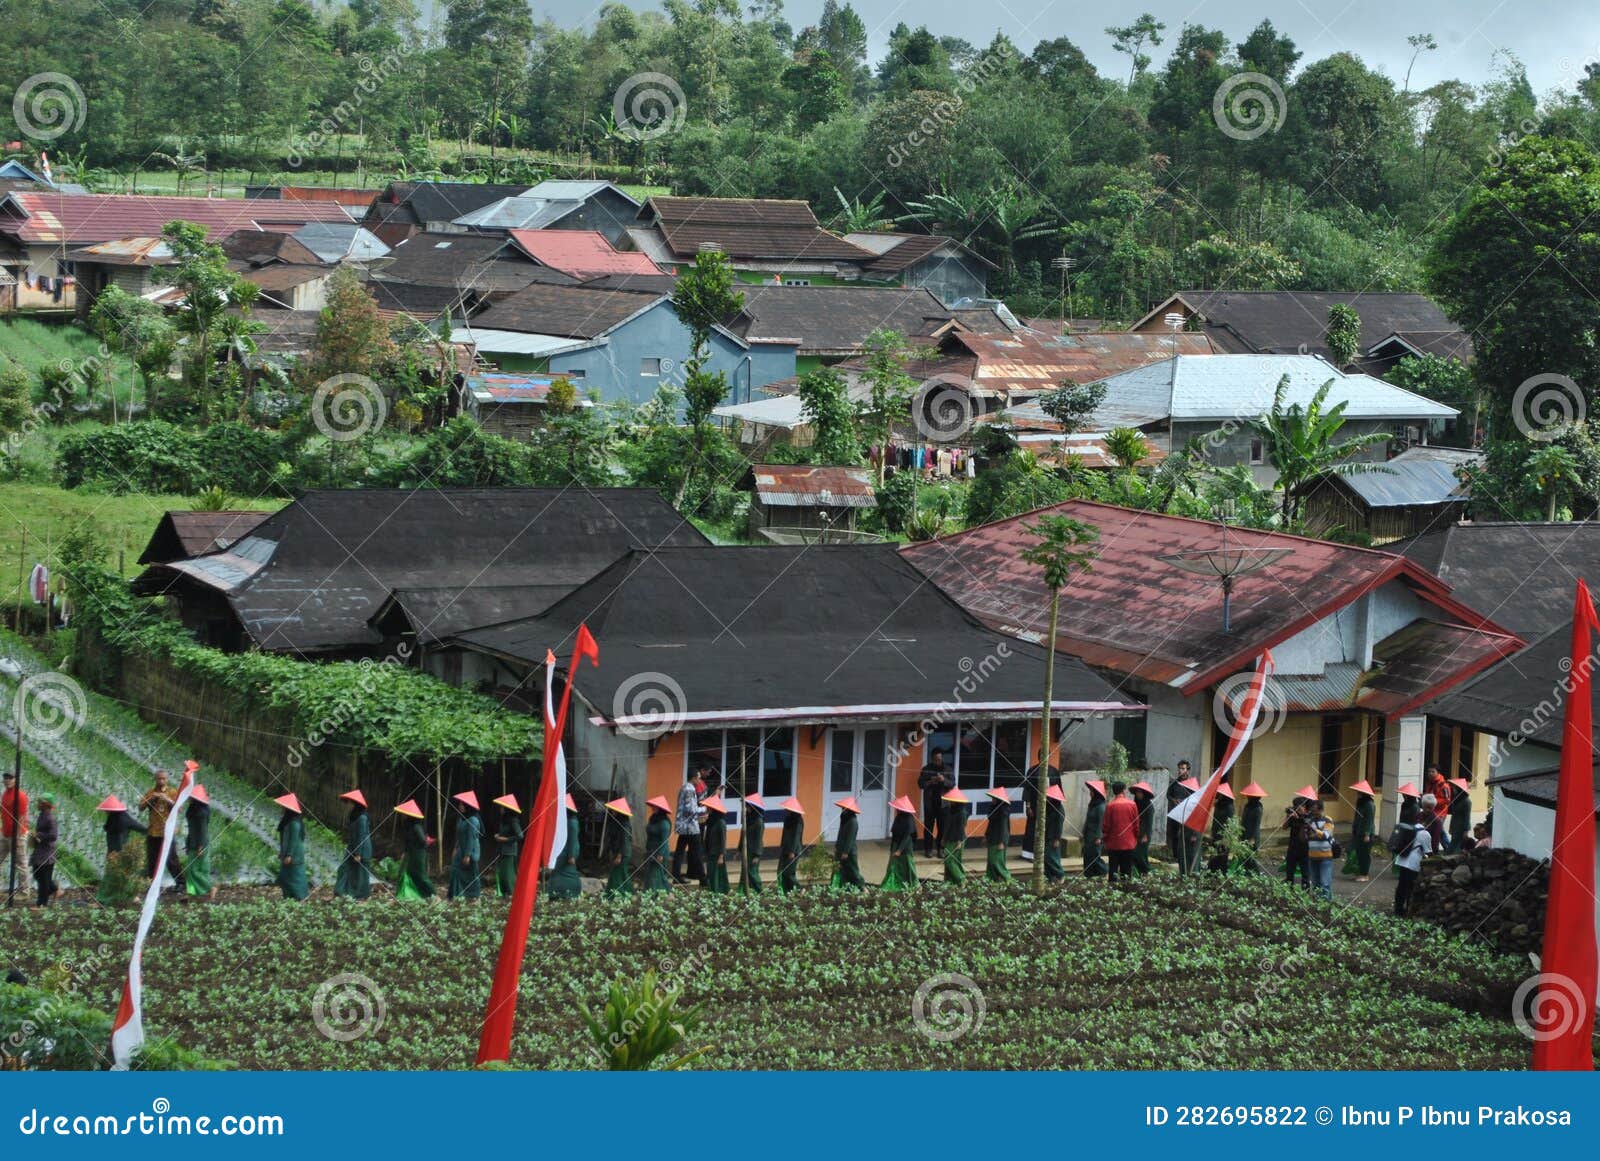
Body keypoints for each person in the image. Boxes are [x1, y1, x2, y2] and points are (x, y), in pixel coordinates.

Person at [139, 769, 183, 889]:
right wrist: (152, 799)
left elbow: (179, 809)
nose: (161, 781)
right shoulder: (151, 792)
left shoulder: (172, 792)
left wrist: (167, 799)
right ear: (155, 779)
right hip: (153, 831)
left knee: (171, 859)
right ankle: (153, 883)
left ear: (167, 779)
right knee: (152, 859)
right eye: (159, 778)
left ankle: (180, 883)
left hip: (167, 831)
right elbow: (140, 807)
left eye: (163, 778)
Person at [333, 789, 373, 900]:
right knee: (344, 868)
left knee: (361, 873)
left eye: (352, 802)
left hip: (361, 848)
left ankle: (361, 895)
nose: (351, 804)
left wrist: (358, 853)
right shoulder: (356, 814)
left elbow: (361, 836)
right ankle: (342, 891)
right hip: (353, 846)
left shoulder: (362, 818)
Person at [1020, 758, 1062, 860]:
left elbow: (1058, 789)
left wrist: (1057, 805)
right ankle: (1029, 854)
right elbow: (1027, 789)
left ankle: (1044, 855)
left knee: (1047, 830)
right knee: (1032, 829)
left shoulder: (1054, 771)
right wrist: (1028, 806)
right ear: (1040, 757)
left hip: (1050, 807)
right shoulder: (1032, 771)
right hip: (1034, 806)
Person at [1393, 814, 1433, 916]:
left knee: (1401, 886)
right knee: (1410, 888)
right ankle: (1408, 911)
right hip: (1413, 864)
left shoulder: (1409, 829)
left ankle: (1398, 909)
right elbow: (1428, 851)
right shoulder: (1425, 834)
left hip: (1402, 860)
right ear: (1427, 823)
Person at [394, 799, 433, 899]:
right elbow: (408, 842)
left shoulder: (416, 827)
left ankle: (432, 894)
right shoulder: (408, 826)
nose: (402, 815)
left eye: (404, 814)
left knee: (421, 875)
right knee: (410, 873)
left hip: (418, 854)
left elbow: (423, 842)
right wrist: (405, 852)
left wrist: (424, 843)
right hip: (411, 853)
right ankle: (414, 893)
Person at [671, 772, 706, 885]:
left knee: (679, 852)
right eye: (699, 778)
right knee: (697, 852)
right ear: (694, 777)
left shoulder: (684, 787)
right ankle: (703, 879)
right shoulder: (690, 790)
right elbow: (691, 809)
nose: (700, 781)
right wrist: (705, 809)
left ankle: (676, 876)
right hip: (690, 827)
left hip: (683, 826)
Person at [1102, 782, 1139, 883]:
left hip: (1113, 844)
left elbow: (1106, 826)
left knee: (1113, 869)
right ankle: (1126, 890)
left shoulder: (1110, 806)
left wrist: (1105, 839)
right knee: (1126, 870)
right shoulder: (1132, 804)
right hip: (1129, 843)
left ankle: (1112, 891)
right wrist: (1135, 838)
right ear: (1123, 790)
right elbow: (1136, 825)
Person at [448, 790, 483, 900]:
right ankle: (456, 893)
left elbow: (471, 839)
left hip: (471, 850)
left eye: (463, 804)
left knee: (472, 873)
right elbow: (459, 836)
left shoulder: (473, 820)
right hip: (461, 848)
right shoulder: (462, 819)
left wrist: (467, 855)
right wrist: (455, 848)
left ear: (469, 806)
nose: (460, 806)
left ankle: (474, 895)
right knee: (455, 869)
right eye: (460, 804)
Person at [547, 794, 582, 900]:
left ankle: (568, 893)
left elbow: (573, 840)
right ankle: (557, 893)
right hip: (562, 851)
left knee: (566, 873)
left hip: (567, 853)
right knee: (558, 873)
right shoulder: (566, 821)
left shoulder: (572, 822)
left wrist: (572, 855)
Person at [183, 784, 215, 901]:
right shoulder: (192, 809)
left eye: (191, 797)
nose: (189, 798)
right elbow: (191, 829)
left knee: (194, 870)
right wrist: (188, 843)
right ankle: (190, 893)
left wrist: (200, 847)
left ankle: (210, 888)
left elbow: (202, 831)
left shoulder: (201, 812)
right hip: (192, 842)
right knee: (190, 870)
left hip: (200, 844)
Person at [917, 750, 951, 857]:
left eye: (940, 759)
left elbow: (952, 784)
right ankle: (928, 849)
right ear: (932, 759)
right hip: (930, 803)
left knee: (942, 828)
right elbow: (921, 784)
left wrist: (943, 780)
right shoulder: (926, 769)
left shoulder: (947, 769)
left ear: (942, 758)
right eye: (936, 760)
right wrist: (931, 781)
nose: (938, 761)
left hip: (943, 803)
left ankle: (940, 849)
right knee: (928, 828)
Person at [275, 792, 308, 901]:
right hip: (288, 852)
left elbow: (293, 840)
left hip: (294, 854)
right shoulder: (287, 820)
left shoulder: (294, 823)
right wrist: (282, 852)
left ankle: (301, 896)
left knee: (296, 877)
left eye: (284, 807)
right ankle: (289, 896)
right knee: (286, 876)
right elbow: (284, 838)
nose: (282, 808)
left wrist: (289, 855)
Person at [488, 794, 522, 897]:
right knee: (502, 872)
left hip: (509, 851)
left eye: (502, 807)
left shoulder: (513, 820)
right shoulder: (504, 820)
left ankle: (512, 892)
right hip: (502, 850)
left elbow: (520, 835)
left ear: (507, 808)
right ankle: (504, 893)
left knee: (508, 873)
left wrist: (506, 839)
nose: (501, 809)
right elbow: (504, 832)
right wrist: (498, 835)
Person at [882, 795, 919, 891]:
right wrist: (893, 848)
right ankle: (893, 882)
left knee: (908, 866)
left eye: (897, 808)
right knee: (893, 865)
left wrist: (899, 850)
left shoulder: (909, 820)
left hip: (905, 848)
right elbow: (895, 833)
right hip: (896, 844)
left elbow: (907, 837)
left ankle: (916, 884)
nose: (896, 810)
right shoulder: (898, 817)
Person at [28, 794, 57, 907]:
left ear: (46, 805)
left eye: (40, 802)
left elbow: (53, 836)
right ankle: (55, 889)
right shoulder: (42, 815)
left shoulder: (50, 818)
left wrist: (38, 834)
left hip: (47, 852)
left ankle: (41, 904)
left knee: (44, 879)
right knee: (37, 874)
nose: (38, 804)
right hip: (40, 850)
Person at [830, 796, 864, 891]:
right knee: (839, 869)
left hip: (849, 852)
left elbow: (850, 838)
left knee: (853, 871)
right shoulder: (844, 819)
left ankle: (863, 887)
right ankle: (840, 887)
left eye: (844, 808)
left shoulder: (853, 822)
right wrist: (837, 847)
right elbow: (840, 835)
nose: (842, 810)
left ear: (849, 809)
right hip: (840, 849)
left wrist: (846, 852)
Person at [1304, 798, 1335, 899]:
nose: (1313, 813)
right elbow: (1306, 837)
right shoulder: (1310, 820)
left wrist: (1313, 831)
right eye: (1312, 811)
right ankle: (1317, 905)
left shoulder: (1328, 820)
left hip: (1325, 857)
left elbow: (1326, 835)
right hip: (1312, 856)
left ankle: (1327, 906)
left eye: (1315, 811)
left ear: (1321, 810)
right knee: (1316, 884)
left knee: (1325, 884)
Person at [603, 797, 634, 897]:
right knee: (622, 873)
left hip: (623, 853)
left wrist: (619, 856)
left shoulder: (625, 825)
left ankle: (616, 894)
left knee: (616, 873)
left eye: (614, 810)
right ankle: (627, 892)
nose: (612, 812)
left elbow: (624, 841)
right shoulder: (616, 822)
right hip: (618, 852)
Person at [642, 795, 673, 892]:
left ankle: (661, 892)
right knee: (650, 873)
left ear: (660, 809)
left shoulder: (664, 823)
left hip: (660, 851)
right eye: (652, 806)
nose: (652, 808)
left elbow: (664, 841)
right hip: (651, 849)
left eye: (655, 807)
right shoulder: (652, 819)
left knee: (657, 873)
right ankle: (650, 891)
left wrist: (660, 854)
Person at [1346, 779, 1375, 881]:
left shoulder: (1369, 805)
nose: (1357, 794)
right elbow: (1357, 817)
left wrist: (1367, 834)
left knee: (1364, 854)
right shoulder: (1360, 803)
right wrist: (1354, 828)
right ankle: (1359, 872)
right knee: (1358, 852)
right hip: (1358, 831)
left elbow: (1369, 820)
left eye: (1359, 792)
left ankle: (1365, 874)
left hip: (1366, 833)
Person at [700, 795, 730, 893]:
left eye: (709, 808)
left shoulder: (721, 823)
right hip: (710, 850)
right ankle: (713, 890)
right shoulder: (711, 821)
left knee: (716, 874)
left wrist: (721, 856)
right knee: (711, 873)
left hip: (717, 853)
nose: (707, 810)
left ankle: (718, 890)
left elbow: (723, 840)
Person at [1284, 788, 1313, 888]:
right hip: (1292, 847)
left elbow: (1306, 831)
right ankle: (1289, 887)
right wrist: (1289, 817)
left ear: (1304, 807)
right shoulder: (1293, 816)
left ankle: (1306, 889)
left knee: (1305, 872)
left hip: (1304, 848)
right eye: (1294, 806)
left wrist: (1299, 819)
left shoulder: (1309, 816)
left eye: (1298, 806)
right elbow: (1284, 827)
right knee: (1289, 870)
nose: (1296, 808)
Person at [940, 788, 971, 883]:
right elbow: (947, 826)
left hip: (957, 839)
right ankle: (949, 880)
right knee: (948, 860)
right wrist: (944, 838)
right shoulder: (950, 811)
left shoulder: (962, 813)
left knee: (950, 860)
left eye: (951, 801)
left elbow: (962, 828)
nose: (949, 802)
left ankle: (961, 879)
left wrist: (959, 841)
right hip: (949, 838)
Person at [985, 787, 1014, 882]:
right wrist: (986, 835)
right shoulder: (994, 809)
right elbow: (990, 825)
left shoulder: (1003, 811)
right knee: (990, 861)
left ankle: (1007, 878)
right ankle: (992, 879)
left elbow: (1004, 828)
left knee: (996, 861)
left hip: (999, 839)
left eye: (994, 798)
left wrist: (1002, 842)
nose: (992, 800)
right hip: (992, 837)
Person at [1, 770, 27, 879]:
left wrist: (17, 837)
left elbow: (21, 817)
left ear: (15, 780)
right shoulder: (5, 794)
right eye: (6, 778)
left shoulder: (20, 796)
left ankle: (24, 892)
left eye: (10, 778)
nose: (7, 780)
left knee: (20, 865)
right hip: (5, 833)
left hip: (17, 835)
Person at [1166, 761, 1193, 863]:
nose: (1180, 770)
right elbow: (1168, 795)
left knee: (1185, 834)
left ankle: (1184, 855)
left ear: (1188, 770)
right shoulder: (1174, 783)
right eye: (1179, 768)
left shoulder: (1192, 783)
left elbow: (1195, 797)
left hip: (1187, 813)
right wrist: (1174, 800)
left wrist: (1185, 802)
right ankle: (1175, 856)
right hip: (1175, 811)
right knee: (1174, 834)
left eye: (1183, 768)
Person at [1205, 783, 1236, 872]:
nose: (1219, 795)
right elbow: (1215, 820)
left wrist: (1227, 838)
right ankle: (1212, 872)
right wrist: (1212, 832)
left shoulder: (1229, 807)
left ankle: (1221, 873)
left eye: (1221, 794)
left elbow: (1230, 823)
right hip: (1216, 833)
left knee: (1222, 855)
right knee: (1214, 854)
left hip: (1224, 835)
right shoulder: (1218, 805)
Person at [1080, 779, 1107, 877]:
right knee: (1087, 855)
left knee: (1094, 857)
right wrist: (1083, 833)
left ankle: (1104, 871)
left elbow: (1101, 823)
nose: (1090, 793)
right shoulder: (1092, 805)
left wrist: (1099, 837)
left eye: (1091, 791)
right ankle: (1089, 875)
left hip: (1095, 837)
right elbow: (1087, 820)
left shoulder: (1101, 807)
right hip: (1088, 835)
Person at [739, 793, 765, 895]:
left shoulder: (758, 822)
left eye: (748, 806)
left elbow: (759, 839)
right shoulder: (748, 820)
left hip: (753, 851)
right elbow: (743, 835)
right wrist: (739, 849)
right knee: (745, 871)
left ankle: (759, 891)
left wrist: (757, 855)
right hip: (747, 850)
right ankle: (746, 891)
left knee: (752, 872)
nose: (746, 808)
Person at [778, 797, 805, 894]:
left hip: (793, 850)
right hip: (786, 848)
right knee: (783, 872)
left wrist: (792, 851)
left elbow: (796, 836)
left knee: (788, 872)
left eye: (788, 808)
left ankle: (799, 889)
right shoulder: (788, 818)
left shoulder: (798, 821)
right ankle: (788, 891)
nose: (786, 809)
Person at [1239, 782, 1267, 873]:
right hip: (1244, 832)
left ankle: (1256, 873)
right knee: (1244, 854)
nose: (1247, 797)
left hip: (1252, 835)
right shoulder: (1247, 806)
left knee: (1251, 856)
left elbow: (1256, 824)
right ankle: (1247, 872)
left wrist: (1252, 839)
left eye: (1249, 796)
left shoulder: (1258, 808)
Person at [1129, 782, 1154, 876]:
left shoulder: (1149, 806)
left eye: (1140, 792)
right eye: (1137, 792)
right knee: (1137, 855)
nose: (1138, 794)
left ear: (1144, 793)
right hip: (1136, 833)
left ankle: (1146, 870)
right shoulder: (1135, 805)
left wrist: (1146, 835)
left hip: (1144, 835)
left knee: (1139, 854)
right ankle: (1141, 873)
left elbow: (1150, 823)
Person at [1043, 784, 1066, 881]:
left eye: (1049, 797)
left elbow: (1059, 826)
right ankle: (1050, 877)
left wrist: (1057, 838)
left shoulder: (1059, 810)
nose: (1048, 798)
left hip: (1054, 837)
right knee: (1047, 857)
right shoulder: (1050, 807)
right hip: (1048, 835)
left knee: (1050, 857)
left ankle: (1060, 874)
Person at [1448, 777, 1472, 852]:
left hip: (1461, 827)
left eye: (1455, 788)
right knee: (1453, 843)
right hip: (1455, 826)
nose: (1453, 789)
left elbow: (1467, 817)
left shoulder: (1467, 802)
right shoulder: (1456, 800)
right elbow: (1453, 814)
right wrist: (1451, 826)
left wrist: (1466, 830)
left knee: (1458, 845)